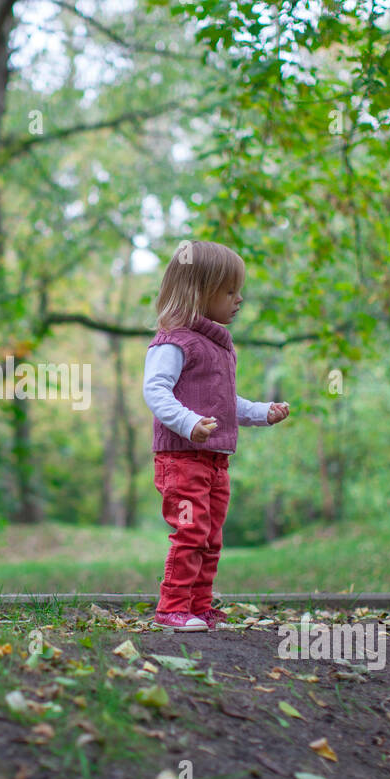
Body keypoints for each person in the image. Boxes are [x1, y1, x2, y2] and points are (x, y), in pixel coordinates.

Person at [142, 241, 290, 631]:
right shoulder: (174, 342)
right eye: (229, 291)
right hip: (182, 458)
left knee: (210, 536)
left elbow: (225, 402)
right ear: (198, 291)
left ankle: (199, 605)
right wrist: (188, 422)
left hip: (215, 462)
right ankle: (172, 607)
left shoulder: (218, 346)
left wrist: (261, 412)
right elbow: (156, 391)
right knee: (190, 530)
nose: (239, 299)